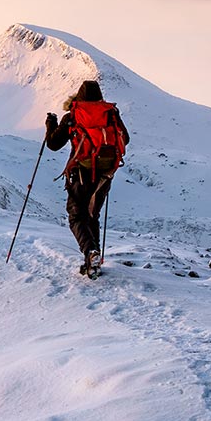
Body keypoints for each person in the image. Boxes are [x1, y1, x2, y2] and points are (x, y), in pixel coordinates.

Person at [45, 80, 130, 275]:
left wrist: (51, 125)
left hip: (81, 172)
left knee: (76, 215)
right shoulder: (110, 113)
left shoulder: (73, 116)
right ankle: (93, 260)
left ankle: (90, 252)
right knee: (92, 215)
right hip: (106, 173)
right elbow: (125, 138)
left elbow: (53, 144)